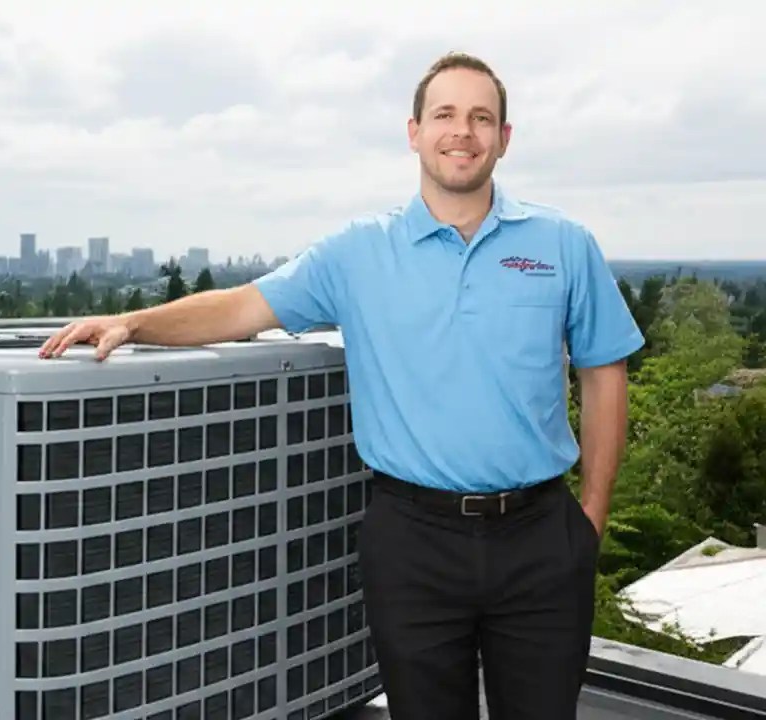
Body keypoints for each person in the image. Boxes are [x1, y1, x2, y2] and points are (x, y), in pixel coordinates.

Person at [38, 51, 642, 719]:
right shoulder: (358, 253)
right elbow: (243, 307)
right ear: (414, 131)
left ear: (505, 137)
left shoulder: (563, 244)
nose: (461, 132)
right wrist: (132, 322)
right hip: (413, 544)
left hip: (541, 538)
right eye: (444, 114)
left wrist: (590, 517)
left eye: (480, 117)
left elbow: (602, 370)